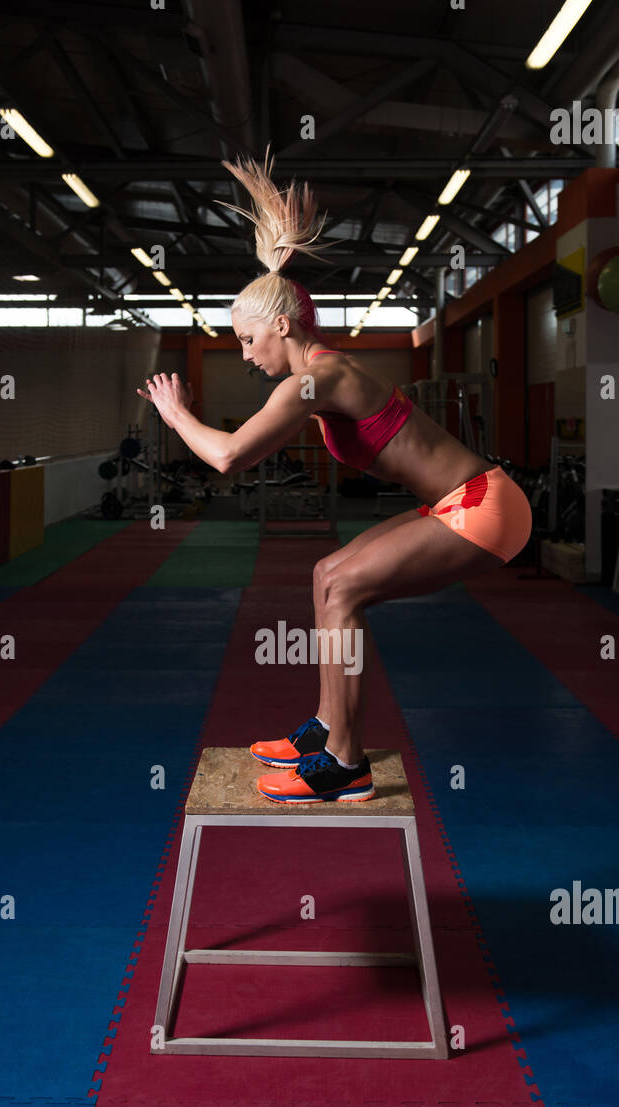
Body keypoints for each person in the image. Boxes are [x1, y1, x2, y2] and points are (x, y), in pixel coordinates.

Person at [138, 153, 533, 805]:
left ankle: (346, 766)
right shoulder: (321, 371)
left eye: (245, 340)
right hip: (458, 502)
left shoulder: (316, 379)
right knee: (327, 575)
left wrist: (176, 414)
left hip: (485, 506)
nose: (243, 354)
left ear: (280, 327)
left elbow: (230, 457)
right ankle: (325, 733)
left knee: (345, 587)